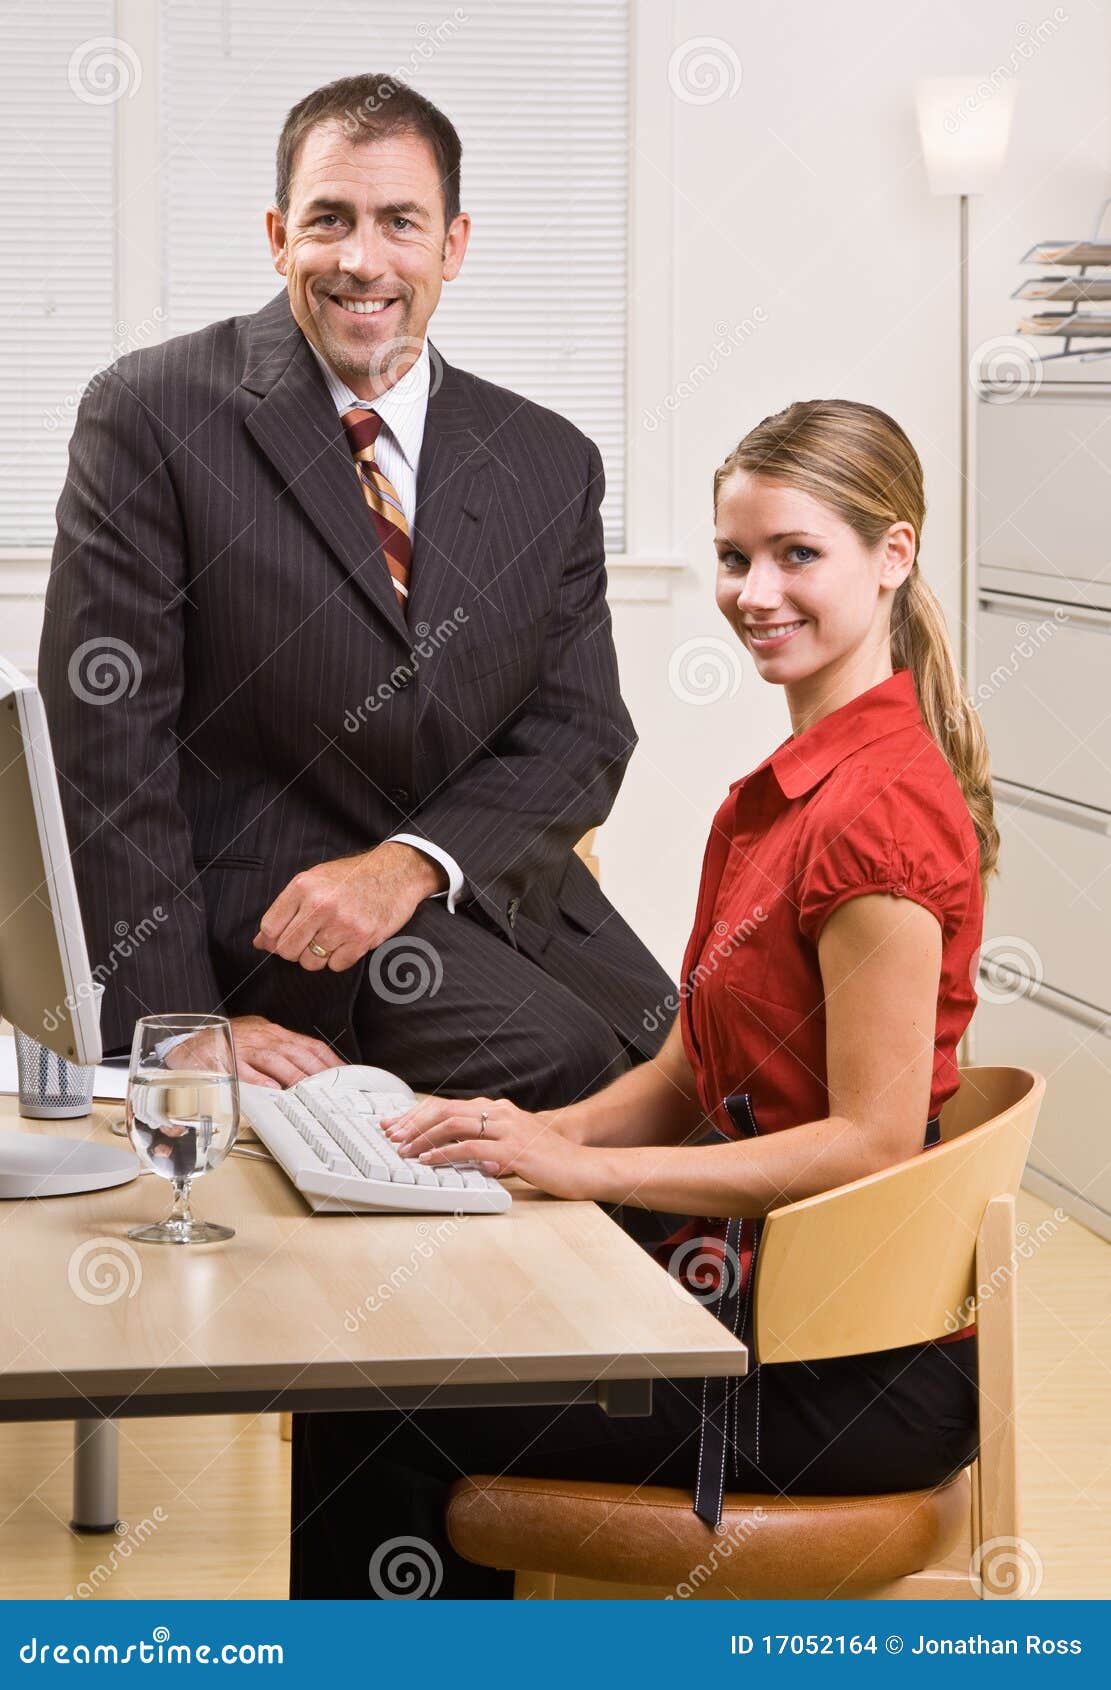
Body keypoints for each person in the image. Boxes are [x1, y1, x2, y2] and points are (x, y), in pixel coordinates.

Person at [289, 398, 997, 1598]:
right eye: (734, 556)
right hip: (752, 1302)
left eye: (796, 555)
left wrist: (591, 1173)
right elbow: (686, 1072)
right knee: (412, 1325)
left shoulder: (874, 813)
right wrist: (522, 1140)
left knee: (375, 1404)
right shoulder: (772, 796)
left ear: (893, 557)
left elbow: (870, 1142)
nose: (754, 591)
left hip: (836, 1365)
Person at [37, 73, 674, 1107]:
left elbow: (580, 732)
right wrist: (176, 1028)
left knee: (719, 1074)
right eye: (329, 220)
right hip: (272, 924)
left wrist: (412, 863)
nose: (361, 260)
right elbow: (106, 749)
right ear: (279, 234)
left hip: (486, 891)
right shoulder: (151, 415)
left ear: (453, 245)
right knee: (565, 1070)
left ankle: (711, 1281)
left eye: (399, 223)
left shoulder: (549, 458)